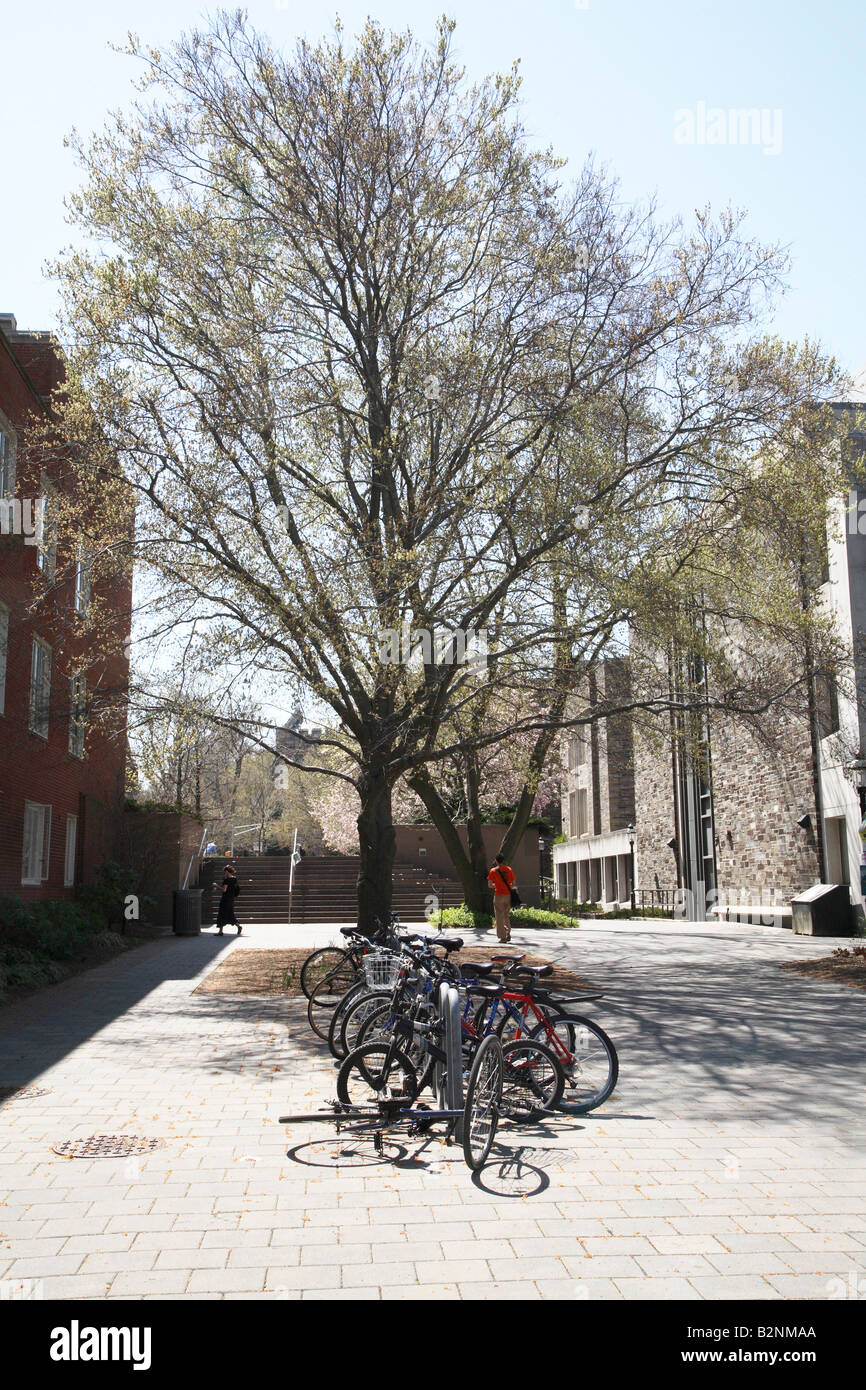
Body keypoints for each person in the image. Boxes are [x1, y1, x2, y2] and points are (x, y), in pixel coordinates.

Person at [488, 853, 517, 943]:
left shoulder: (493, 871)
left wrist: (496, 885)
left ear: (496, 861)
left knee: (499, 916)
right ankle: (508, 932)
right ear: (503, 860)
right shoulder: (509, 869)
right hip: (508, 895)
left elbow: (489, 885)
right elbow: (513, 883)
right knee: (506, 915)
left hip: (498, 895)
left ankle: (502, 937)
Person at [216, 865, 242, 936]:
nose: (224, 873)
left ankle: (220, 932)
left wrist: (216, 886)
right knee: (230, 914)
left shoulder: (226, 880)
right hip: (231, 899)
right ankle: (238, 926)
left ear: (227, 872)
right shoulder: (234, 879)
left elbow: (224, 890)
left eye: (224, 872)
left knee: (221, 914)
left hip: (225, 899)